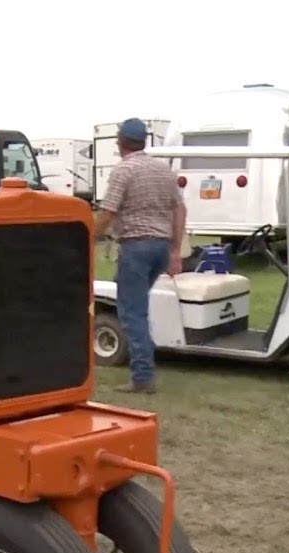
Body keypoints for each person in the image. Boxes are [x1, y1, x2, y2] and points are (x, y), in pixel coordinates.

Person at [93, 117, 187, 394]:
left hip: (136, 247)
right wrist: (175, 250)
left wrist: (87, 237)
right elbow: (179, 210)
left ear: (120, 143)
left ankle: (142, 376)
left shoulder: (123, 171)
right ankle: (143, 363)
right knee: (138, 307)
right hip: (160, 247)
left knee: (132, 312)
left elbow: (109, 212)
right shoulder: (163, 169)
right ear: (144, 141)